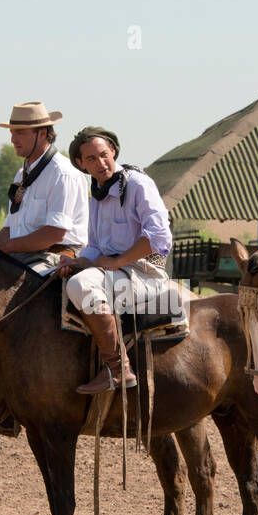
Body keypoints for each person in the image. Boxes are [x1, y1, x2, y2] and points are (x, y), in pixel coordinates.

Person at [56, 126, 175, 394]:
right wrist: (72, 260)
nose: (100, 163)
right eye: (91, 159)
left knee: (80, 287)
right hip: (114, 271)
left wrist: (118, 261)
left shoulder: (137, 183)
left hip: (144, 274)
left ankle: (118, 367)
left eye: (104, 155)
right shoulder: (96, 195)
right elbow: (95, 246)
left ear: (113, 152)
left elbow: (159, 237)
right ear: (80, 164)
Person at [0, 101, 88, 274]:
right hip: (23, 255)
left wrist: (7, 247)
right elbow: (11, 228)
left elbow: (55, 234)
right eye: (11, 132)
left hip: (58, 256)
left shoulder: (62, 173)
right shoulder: (22, 173)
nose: (13, 139)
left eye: (19, 132)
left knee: (20, 287)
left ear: (42, 133)